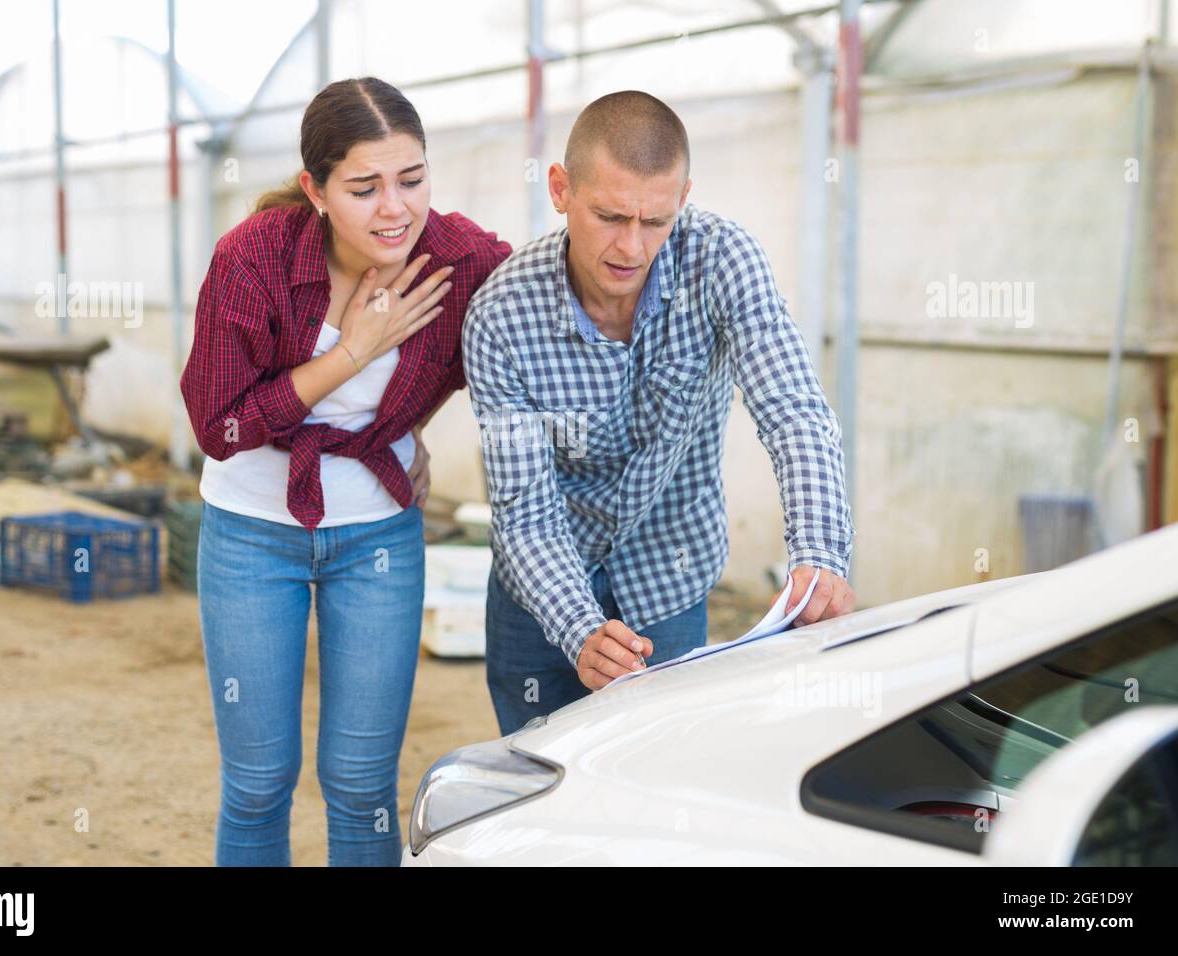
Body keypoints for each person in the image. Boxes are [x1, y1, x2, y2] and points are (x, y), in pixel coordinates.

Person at [180, 76, 510, 865]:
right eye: (364, 188)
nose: (395, 208)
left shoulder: (460, 260)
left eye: (413, 179)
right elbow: (219, 425)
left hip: (378, 537)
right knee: (259, 781)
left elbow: (539, 304)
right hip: (253, 531)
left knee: (362, 783)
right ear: (315, 191)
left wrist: (408, 425)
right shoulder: (252, 260)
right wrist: (351, 352)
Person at [463, 90, 855, 736]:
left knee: (660, 786)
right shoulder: (501, 315)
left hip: (668, 578)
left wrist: (820, 552)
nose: (633, 247)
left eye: (656, 221)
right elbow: (525, 511)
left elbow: (794, 412)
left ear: (685, 196)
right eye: (610, 216)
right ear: (560, 189)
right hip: (539, 602)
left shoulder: (722, 260)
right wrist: (580, 629)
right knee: (538, 792)